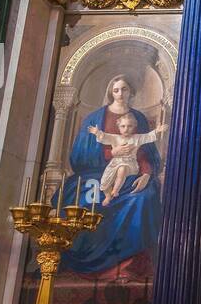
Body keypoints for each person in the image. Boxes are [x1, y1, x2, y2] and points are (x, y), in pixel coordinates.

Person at [59, 75, 163, 278]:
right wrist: (111, 153)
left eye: (124, 89)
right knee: (81, 196)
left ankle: (129, 264)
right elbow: (80, 156)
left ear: (131, 92)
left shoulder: (139, 119)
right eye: (116, 90)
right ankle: (87, 260)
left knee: (145, 197)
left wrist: (146, 174)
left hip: (132, 174)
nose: (121, 93)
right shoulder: (94, 118)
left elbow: (146, 152)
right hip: (98, 174)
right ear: (110, 92)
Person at [88, 114, 166, 205]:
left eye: (129, 126)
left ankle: (115, 191)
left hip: (130, 164)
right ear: (119, 127)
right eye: (123, 126)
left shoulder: (137, 138)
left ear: (134, 127)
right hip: (114, 163)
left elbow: (147, 136)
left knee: (122, 169)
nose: (126, 129)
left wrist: (157, 131)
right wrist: (97, 132)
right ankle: (108, 196)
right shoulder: (115, 138)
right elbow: (104, 137)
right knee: (104, 182)